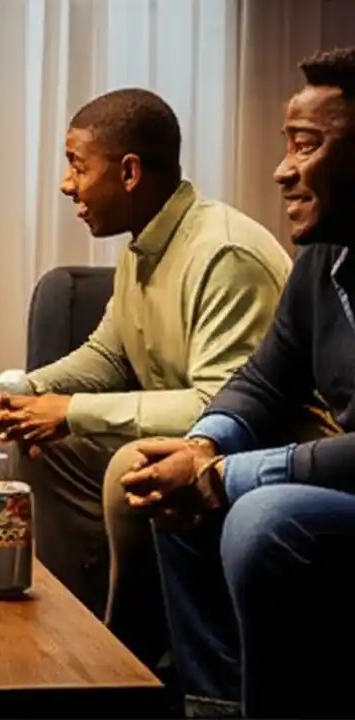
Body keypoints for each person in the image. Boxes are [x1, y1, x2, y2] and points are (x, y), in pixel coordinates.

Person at [0, 88, 297, 660]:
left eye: (77, 165)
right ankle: (61, 630)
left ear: (128, 172)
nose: (65, 184)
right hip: (184, 431)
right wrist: (32, 393)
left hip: (250, 449)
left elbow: (225, 405)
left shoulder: (223, 253)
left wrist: (71, 410)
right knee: (47, 443)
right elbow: (109, 355)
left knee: (132, 461)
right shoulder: (142, 247)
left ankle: (125, 658)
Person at [118, 47, 355, 718]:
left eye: (306, 146)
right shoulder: (325, 261)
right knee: (173, 486)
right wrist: (197, 450)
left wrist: (225, 476)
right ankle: (214, 704)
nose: (282, 171)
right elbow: (262, 380)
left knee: (263, 516)